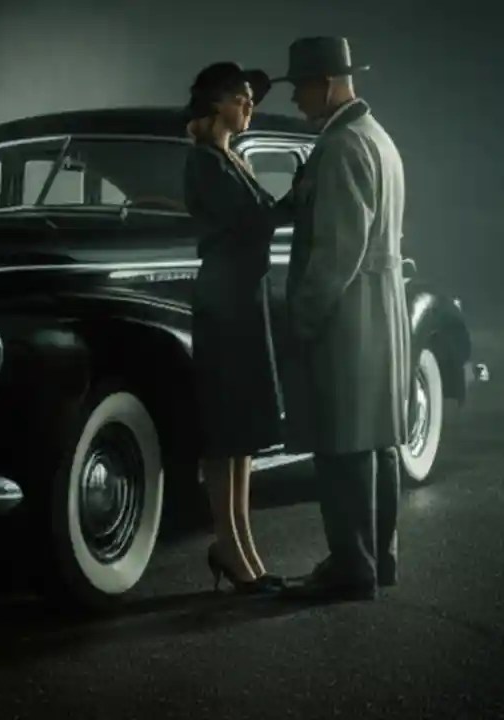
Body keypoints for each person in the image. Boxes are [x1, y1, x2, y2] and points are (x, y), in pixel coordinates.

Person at [269, 37, 411, 602]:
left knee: (342, 442)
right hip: (381, 309)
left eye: (300, 87)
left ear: (326, 84)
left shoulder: (341, 147)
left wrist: (301, 319)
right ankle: (380, 558)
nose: (296, 100)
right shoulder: (378, 138)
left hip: (349, 316)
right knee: (378, 440)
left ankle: (352, 568)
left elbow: (335, 253)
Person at [181, 61, 292, 593]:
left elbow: (259, 217)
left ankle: (243, 547)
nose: (251, 105)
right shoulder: (205, 163)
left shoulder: (232, 159)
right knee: (226, 430)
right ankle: (229, 545)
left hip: (244, 300)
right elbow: (252, 221)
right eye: (241, 97)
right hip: (224, 301)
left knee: (242, 431)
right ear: (216, 103)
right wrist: (301, 194)